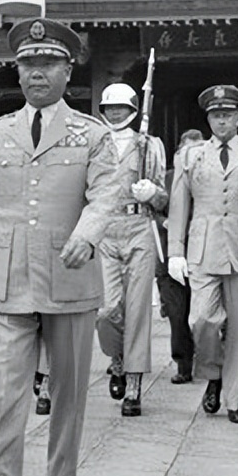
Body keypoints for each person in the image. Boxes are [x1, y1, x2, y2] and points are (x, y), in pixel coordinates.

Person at [0, 17, 119, 476]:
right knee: (3, 392)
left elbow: (105, 194)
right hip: (6, 281)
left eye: (47, 63)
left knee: (68, 395)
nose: (36, 73)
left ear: (69, 71)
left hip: (69, 278)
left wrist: (87, 236)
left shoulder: (92, 134)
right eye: (28, 64)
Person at [168, 85, 238, 424]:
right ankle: (213, 374)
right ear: (207, 119)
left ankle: (235, 399)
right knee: (202, 320)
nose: (221, 120)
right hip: (202, 247)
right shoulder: (190, 156)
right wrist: (175, 251)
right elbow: (179, 205)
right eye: (215, 115)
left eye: (228, 114)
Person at [93, 82, 167, 417]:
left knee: (138, 309)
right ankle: (117, 358)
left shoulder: (150, 144)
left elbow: (164, 198)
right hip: (105, 230)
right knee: (107, 309)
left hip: (139, 227)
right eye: (109, 108)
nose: (115, 113)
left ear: (135, 108)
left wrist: (151, 192)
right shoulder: (94, 144)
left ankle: (134, 383)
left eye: (121, 107)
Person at [155, 129, 200, 385]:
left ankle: (210, 358)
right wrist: (166, 222)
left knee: (204, 314)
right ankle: (184, 363)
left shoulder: (208, 177)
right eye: (187, 151)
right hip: (169, 256)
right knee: (176, 312)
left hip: (201, 254)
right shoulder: (167, 179)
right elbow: (153, 210)